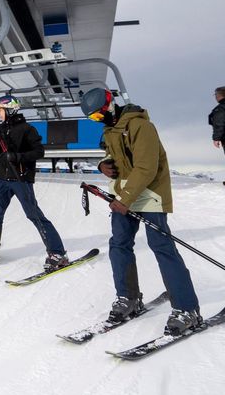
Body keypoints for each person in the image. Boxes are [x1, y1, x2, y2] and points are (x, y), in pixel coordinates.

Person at [81, 87, 203, 335]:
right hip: (125, 194)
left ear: (110, 105)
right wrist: (103, 165)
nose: (98, 119)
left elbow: (146, 167)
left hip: (149, 194)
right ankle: (128, 297)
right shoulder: (110, 130)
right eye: (93, 118)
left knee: (161, 246)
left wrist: (125, 199)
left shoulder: (140, 126)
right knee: (119, 244)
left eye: (99, 114)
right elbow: (112, 155)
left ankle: (186, 309)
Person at [0, 96, 68, 279]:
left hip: (21, 178)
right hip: (1, 179)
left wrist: (18, 157)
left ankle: (57, 252)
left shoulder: (27, 129)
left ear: (10, 110)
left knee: (34, 215)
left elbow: (39, 152)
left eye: (0, 110)